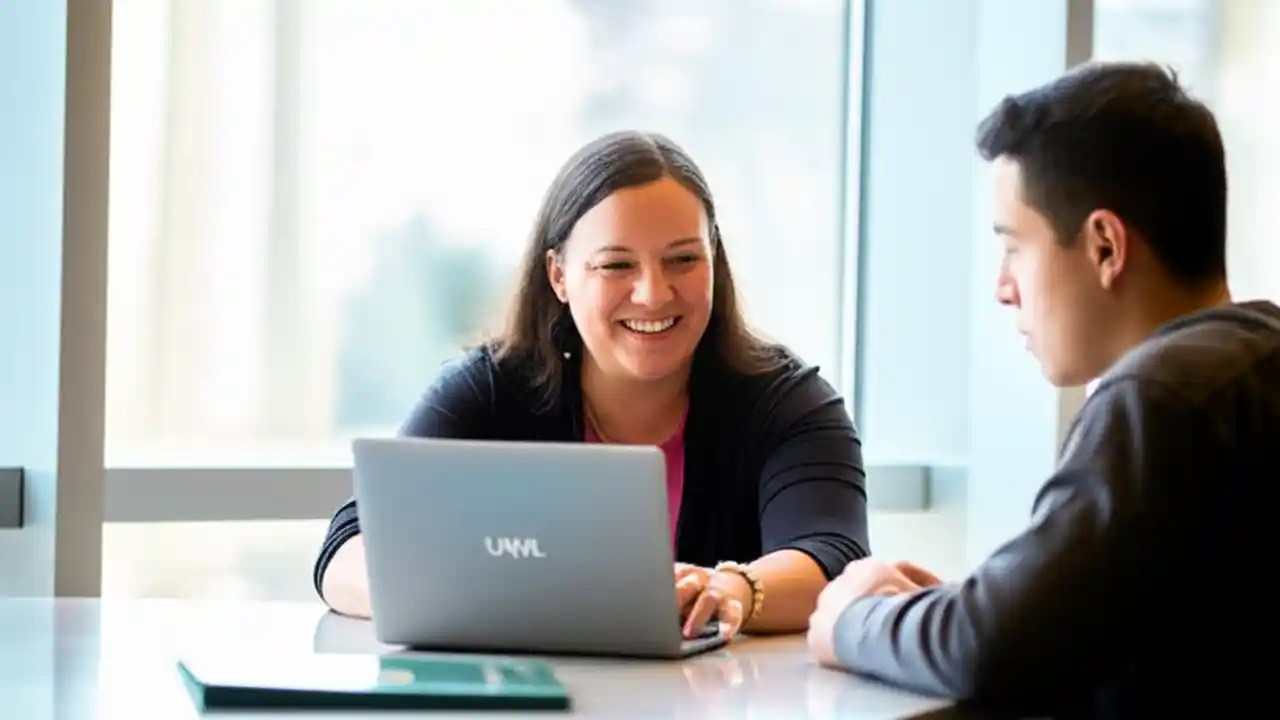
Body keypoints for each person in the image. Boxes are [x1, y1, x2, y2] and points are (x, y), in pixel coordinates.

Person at [808, 61, 1280, 717]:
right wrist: (979, 601)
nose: (1003, 287)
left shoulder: (1159, 395)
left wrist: (852, 619)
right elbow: (1082, 622)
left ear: (1106, 247)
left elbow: (994, 647)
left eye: (1014, 248)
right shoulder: (1252, 366)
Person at [315, 130, 870, 640]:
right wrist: (507, 599)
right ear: (559, 275)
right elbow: (347, 551)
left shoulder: (788, 403)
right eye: (615, 265)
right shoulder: (485, 393)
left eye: (682, 260)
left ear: (714, 260)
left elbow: (833, 556)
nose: (653, 294)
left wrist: (733, 591)